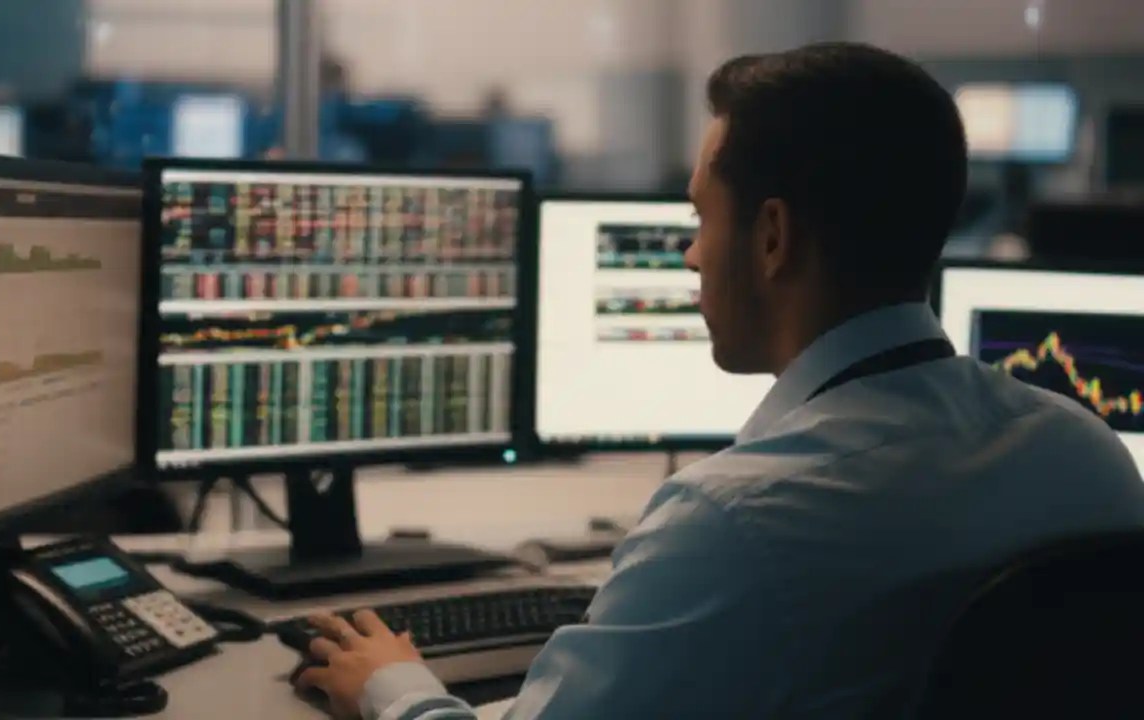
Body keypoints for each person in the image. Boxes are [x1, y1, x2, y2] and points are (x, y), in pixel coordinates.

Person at [293, 42, 1144, 719]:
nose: (692, 254)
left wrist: (395, 688)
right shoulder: (1089, 454)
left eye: (700, 216)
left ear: (772, 238)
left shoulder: (736, 522)